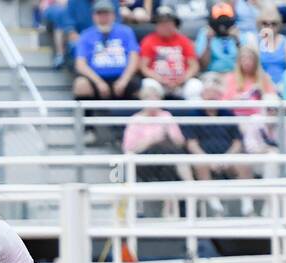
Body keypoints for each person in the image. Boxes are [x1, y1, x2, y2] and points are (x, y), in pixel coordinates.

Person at [182, 72, 253, 212]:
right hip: (205, 156)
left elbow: (237, 142)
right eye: (208, 92)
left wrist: (228, 157)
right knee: (200, 163)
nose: (211, 96)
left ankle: (247, 203)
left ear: (220, 95)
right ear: (202, 95)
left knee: (243, 163)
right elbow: (192, 144)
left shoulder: (228, 113)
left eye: (215, 92)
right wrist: (208, 160)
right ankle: (213, 203)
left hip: (228, 155)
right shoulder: (193, 114)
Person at [73, 0, 142, 143]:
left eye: (106, 13)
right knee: (80, 84)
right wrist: (98, 82)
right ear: (94, 16)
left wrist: (123, 80)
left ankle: (129, 132)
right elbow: (80, 64)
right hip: (97, 78)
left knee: (141, 87)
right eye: (100, 14)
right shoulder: (86, 35)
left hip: (122, 77)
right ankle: (88, 129)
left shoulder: (125, 32)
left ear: (113, 15)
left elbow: (134, 58)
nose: (103, 17)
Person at [123, 77, 193, 193]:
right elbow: (128, 148)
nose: (152, 101)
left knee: (170, 156)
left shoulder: (166, 116)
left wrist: (168, 131)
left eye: (155, 97)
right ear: (142, 100)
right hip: (144, 158)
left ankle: (189, 188)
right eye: (148, 98)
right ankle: (189, 186)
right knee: (163, 150)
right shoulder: (136, 119)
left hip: (167, 158)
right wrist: (152, 140)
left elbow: (179, 142)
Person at [138, 6, 198, 97]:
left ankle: (191, 112)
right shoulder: (148, 40)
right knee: (148, 84)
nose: (165, 26)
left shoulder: (184, 41)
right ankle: (154, 112)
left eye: (168, 22)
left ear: (175, 24)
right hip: (158, 82)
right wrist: (161, 79)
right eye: (161, 23)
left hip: (181, 83)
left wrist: (183, 79)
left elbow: (194, 65)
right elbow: (143, 67)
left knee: (195, 85)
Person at [196, 3, 240, 74]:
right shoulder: (205, 33)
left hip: (236, 74)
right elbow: (203, 65)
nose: (222, 24)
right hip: (213, 74)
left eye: (226, 19)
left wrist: (237, 41)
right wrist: (208, 42)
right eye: (219, 19)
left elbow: (247, 61)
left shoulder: (238, 32)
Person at [257, 10, 286, 87]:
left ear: (278, 25)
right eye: (265, 23)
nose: (269, 26)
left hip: (283, 84)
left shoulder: (285, 40)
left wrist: (285, 83)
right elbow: (256, 67)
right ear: (260, 24)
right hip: (262, 84)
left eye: (273, 23)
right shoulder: (256, 41)